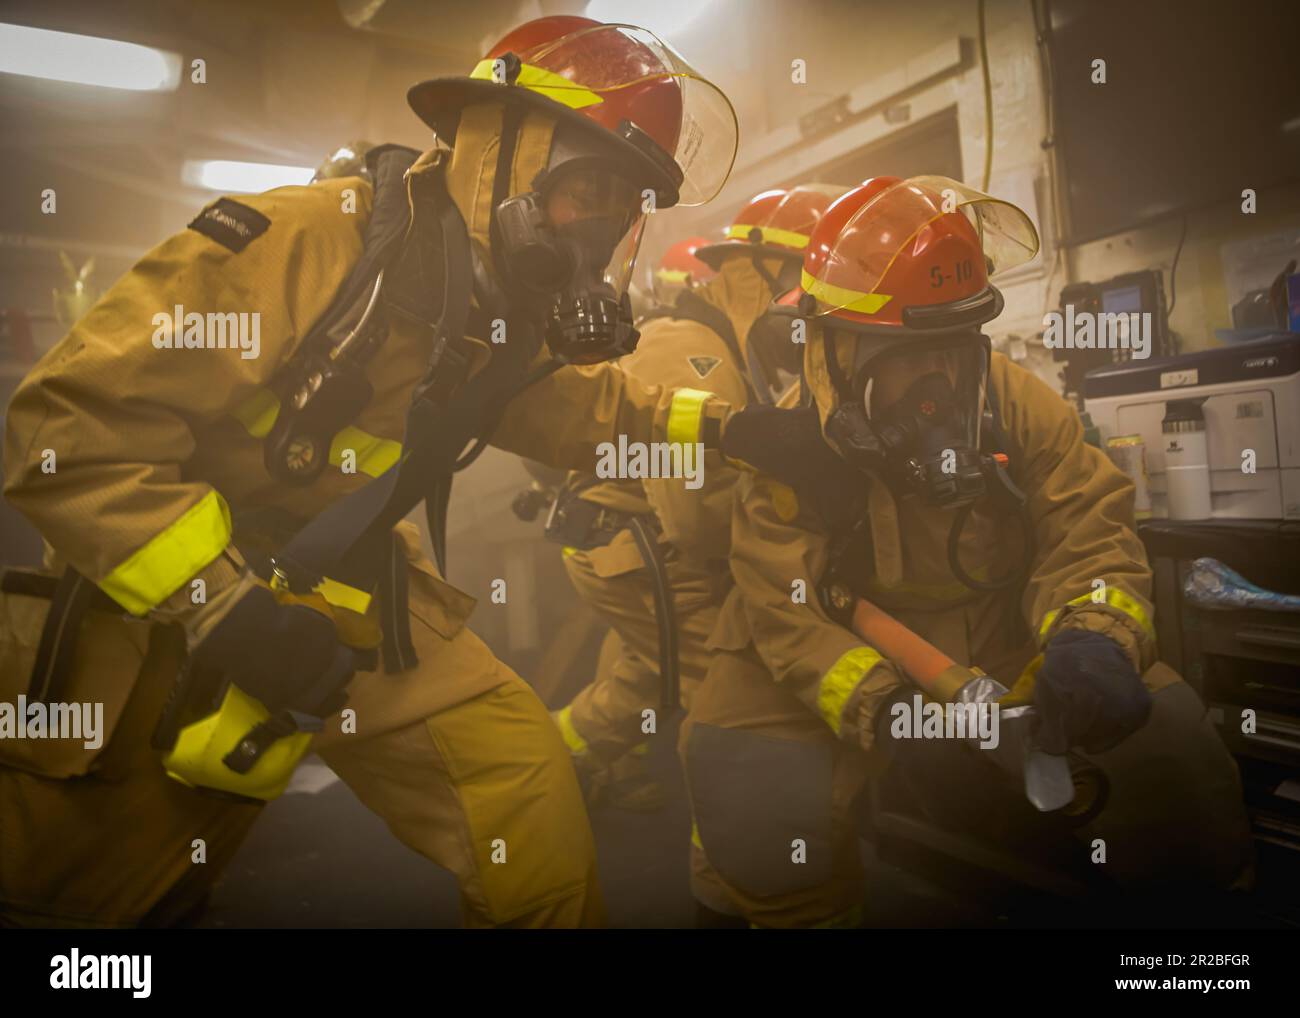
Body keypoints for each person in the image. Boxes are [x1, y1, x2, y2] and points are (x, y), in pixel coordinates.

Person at [0, 14, 737, 929]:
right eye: (584, 188)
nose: (596, 231)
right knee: (94, 902)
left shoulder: (491, 312)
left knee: (524, 792)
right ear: (495, 151)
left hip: (353, 588)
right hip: (164, 600)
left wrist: (740, 431)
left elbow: (587, 408)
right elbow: (63, 430)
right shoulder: (302, 241)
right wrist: (217, 604)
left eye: (620, 209)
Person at [706, 176, 1254, 927]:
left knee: (1172, 753)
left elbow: (1087, 524)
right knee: (751, 785)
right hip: (849, 650)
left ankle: (1197, 965)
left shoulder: (1015, 401)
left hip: (999, 638)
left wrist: (1092, 637)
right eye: (903, 356)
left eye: (950, 353)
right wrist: (888, 709)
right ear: (836, 351)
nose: (935, 387)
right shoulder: (796, 447)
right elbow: (783, 607)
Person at [548, 187, 845, 814]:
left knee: (647, 671)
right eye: (808, 281)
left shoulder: (731, 345)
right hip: (636, 550)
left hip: (635, 543)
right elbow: (694, 516)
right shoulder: (692, 349)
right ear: (756, 271)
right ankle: (742, 860)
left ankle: (550, 761)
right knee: (736, 697)